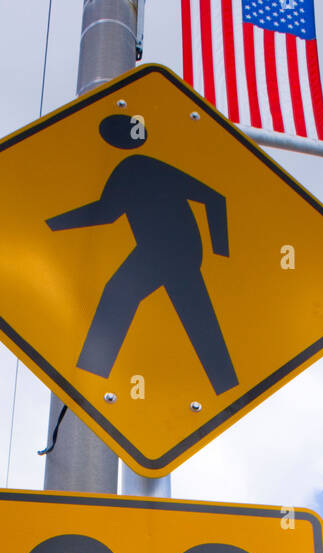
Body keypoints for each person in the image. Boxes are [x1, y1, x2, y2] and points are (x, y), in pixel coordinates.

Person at [46, 113, 238, 395]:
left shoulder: (140, 166)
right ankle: (227, 385)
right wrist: (53, 224)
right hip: (164, 249)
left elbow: (214, 198)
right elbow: (107, 213)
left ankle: (91, 375)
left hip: (170, 248)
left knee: (120, 293)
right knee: (194, 314)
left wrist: (221, 252)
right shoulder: (129, 169)